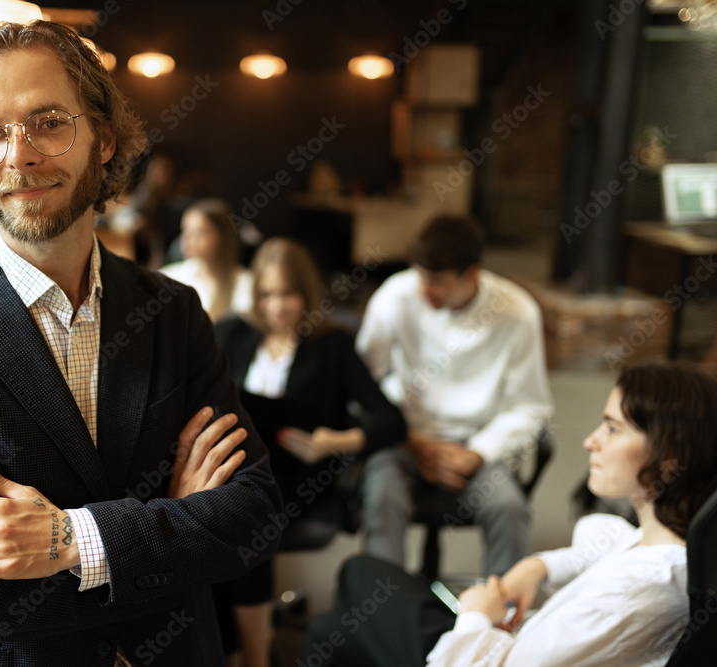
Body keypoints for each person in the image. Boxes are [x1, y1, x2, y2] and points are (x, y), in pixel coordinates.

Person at [0, 20, 282, 667]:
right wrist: (174, 524)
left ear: (104, 139)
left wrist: (66, 538)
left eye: (48, 121)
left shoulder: (173, 310)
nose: (20, 155)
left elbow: (252, 517)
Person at [301, 361, 717, 667]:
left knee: (359, 572)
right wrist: (536, 566)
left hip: (476, 653)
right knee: (331, 633)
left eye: (612, 428)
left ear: (668, 459)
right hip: (506, 639)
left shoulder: (634, 592)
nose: (591, 440)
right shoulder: (669, 544)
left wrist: (477, 613)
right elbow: (605, 550)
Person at [211, 238, 406, 667]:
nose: (277, 306)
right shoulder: (232, 333)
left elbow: (391, 421)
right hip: (235, 469)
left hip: (300, 478)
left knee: (240, 516)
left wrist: (335, 442)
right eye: (267, 294)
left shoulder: (331, 346)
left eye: (288, 294)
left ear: (307, 294)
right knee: (213, 515)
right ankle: (226, 649)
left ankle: (253, 657)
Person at [355, 215, 553, 576]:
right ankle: (381, 614)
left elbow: (530, 405)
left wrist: (478, 454)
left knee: (508, 508)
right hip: (405, 436)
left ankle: (500, 622)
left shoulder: (517, 313)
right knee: (382, 498)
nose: (424, 291)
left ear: (472, 275)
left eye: (437, 283)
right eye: (420, 277)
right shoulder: (395, 297)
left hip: (478, 442)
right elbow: (362, 384)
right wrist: (409, 440)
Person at [160, 198, 253, 322]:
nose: (187, 240)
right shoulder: (169, 278)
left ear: (221, 236)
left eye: (198, 233)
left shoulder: (246, 283)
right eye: (185, 231)